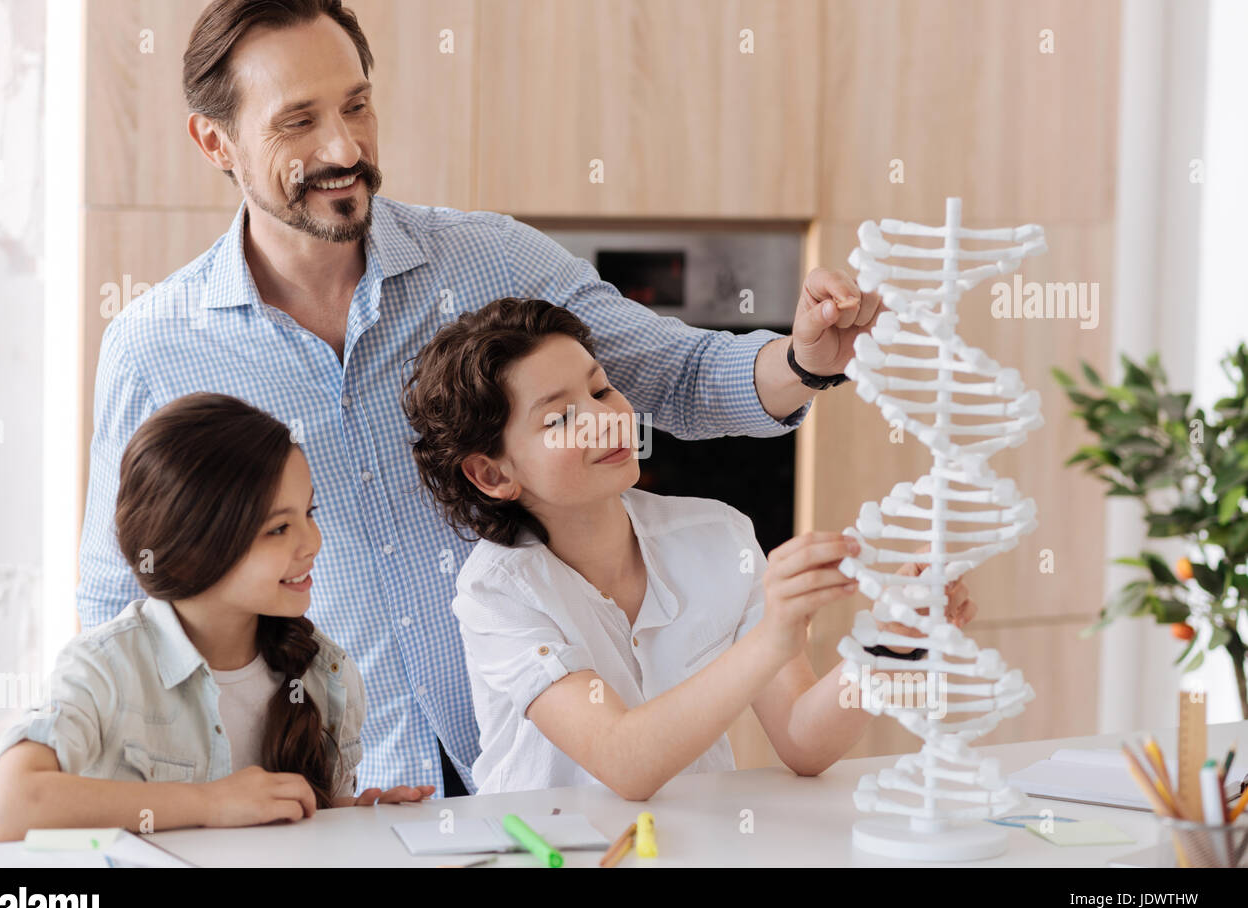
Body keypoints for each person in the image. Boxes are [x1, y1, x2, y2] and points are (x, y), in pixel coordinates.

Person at [79, 0, 886, 800]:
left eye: (357, 105)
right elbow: (121, 603)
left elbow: (671, 374)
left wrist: (804, 360)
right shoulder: (156, 344)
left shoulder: (490, 258)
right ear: (214, 140)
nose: (344, 146)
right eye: (298, 122)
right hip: (340, 798)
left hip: (548, 778)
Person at [403, 298, 976, 797]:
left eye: (601, 388)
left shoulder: (717, 536)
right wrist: (773, 637)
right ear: (492, 474)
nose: (605, 419)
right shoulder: (497, 593)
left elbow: (804, 740)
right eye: (560, 418)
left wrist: (888, 647)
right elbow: (623, 761)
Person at [0, 394, 433, 841]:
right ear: (196, 547)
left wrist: (357, 820)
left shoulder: (326, 675)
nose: (312, 541)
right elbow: (7, 807)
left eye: (309, 512)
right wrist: (210, 803)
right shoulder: (105, 670)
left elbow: (300, 835)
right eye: (278, 528)